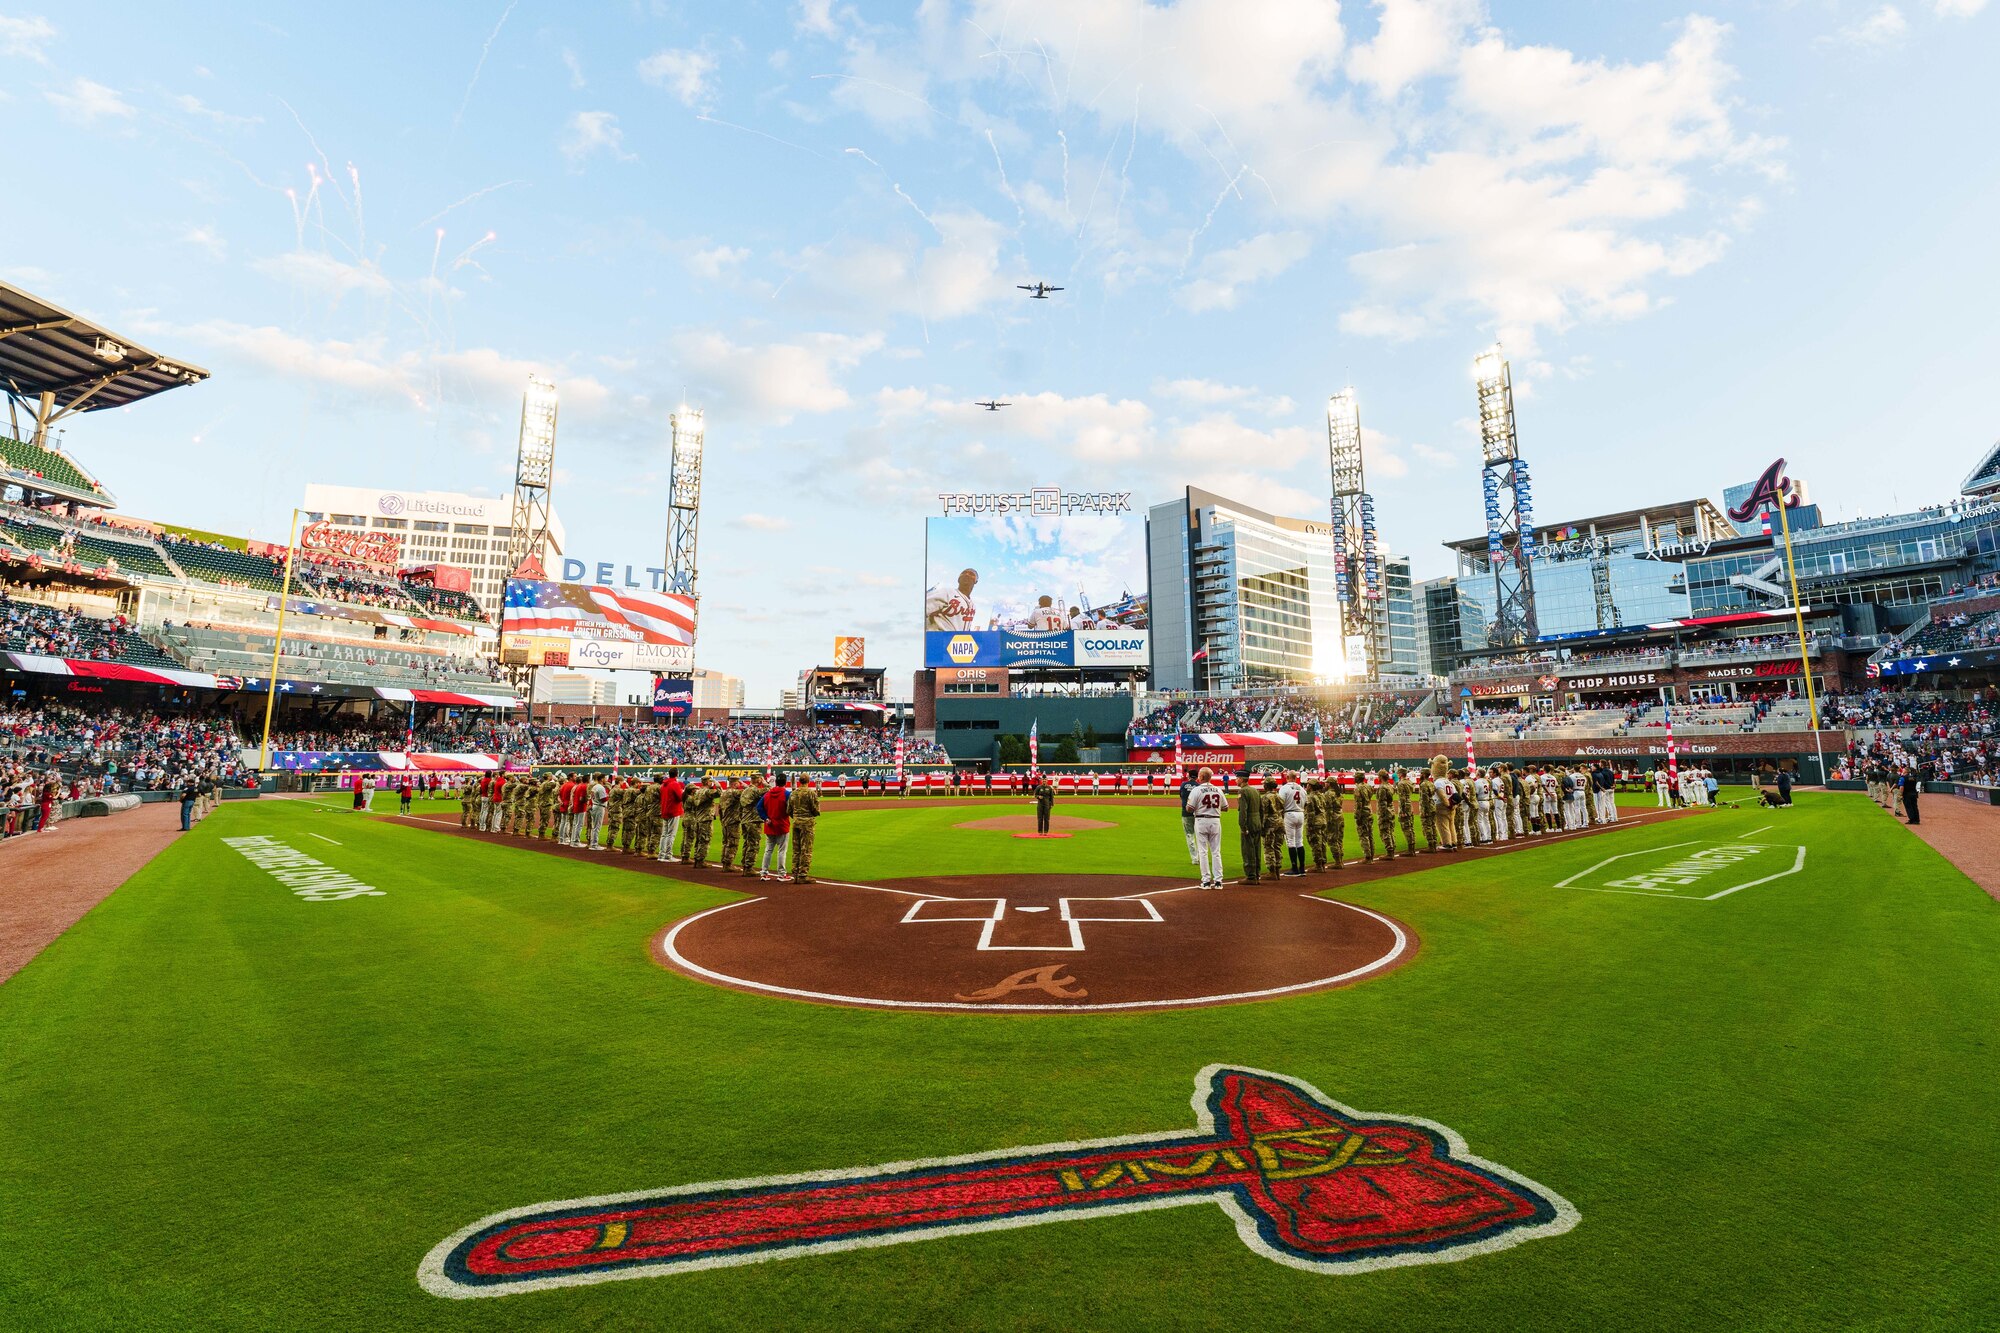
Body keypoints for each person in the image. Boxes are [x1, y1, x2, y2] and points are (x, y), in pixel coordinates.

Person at [1186, 766, 1228, 888]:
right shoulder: (1218, 790)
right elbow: (1226, 807)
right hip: (1215, 820)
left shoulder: (1196, 790)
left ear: (1201, 777)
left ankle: (1206, 881)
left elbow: (1189, 808)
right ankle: (1218, 881)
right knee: (1216, 851)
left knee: (1203, 851)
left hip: (1201, 820)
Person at [1233, 766, 1263, 885]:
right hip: (1257, 822)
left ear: (1241, 779)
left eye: (1237, 778)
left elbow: (1243, 811)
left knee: (1248, 850)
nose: (1236, 780)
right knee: (1257, 849)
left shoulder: (1243, 791)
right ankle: (1257, 874)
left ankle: (1251, 876)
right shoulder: (1255, 791)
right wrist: (1261, 823)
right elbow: (1261, 809)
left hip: (1249, 823)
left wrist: (1243, 826)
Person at [759, 774, 792, 881]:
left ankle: (764, 873)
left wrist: (765, 818)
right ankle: (781, 874)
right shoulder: (787, 794)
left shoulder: (767, 794)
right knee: (782, 851)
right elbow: (791, 808)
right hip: (782, 825)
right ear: (785, 782)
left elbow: (759, 807)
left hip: (770, 825)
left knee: (768, 850)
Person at [789, 779, 821, 882]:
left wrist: (796, 817)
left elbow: (788, 810)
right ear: (808, 781)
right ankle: (802, 875)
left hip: (796, 822)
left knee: (796, 849)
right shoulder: (811, 793)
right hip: (807, 823)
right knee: (806, 849)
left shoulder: (793, 793)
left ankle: (795, 874)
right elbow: (816, 810)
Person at [1277, 771, 1307, 877]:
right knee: (1299, 841)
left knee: (1291, 842)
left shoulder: (1284, 788)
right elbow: (1306, 803)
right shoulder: (1302, 789)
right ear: (1296, 777)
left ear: (1287, 777)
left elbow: (1280, 803)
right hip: (1300, 813)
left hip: (1289, 814)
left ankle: (1294, 868)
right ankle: (1302, 868)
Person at [657, 768, 686, 863]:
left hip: (664, 810)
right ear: (677, 774)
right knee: (671, 834)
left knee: (664, 834)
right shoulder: (674, 784)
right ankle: (668, 855)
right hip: (673, 811)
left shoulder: (663, 784)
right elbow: (680, 797)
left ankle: (661, 854)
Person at [1177, 770, 1200, 869]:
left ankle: (1195, 858)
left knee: (1189, 835)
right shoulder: (1199, 786)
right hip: (1198, 813)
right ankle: (1201, 857)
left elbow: (1181, 796)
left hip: (1186, 813)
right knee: (1200, 836)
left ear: (1188, 776)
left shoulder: (1183, 785)